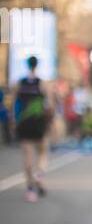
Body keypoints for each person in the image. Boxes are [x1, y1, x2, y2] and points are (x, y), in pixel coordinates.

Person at [15, 54, 54, 200]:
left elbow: (15, 104)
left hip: (24, 122)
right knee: (43, 152)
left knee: (27, 156)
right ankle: (39, 175)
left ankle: (30, 189)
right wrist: (51, 122)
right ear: (37, 65)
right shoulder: (42, 83)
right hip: (38, 123)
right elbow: (49, 106)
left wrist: (15, 121)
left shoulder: (20, 83)